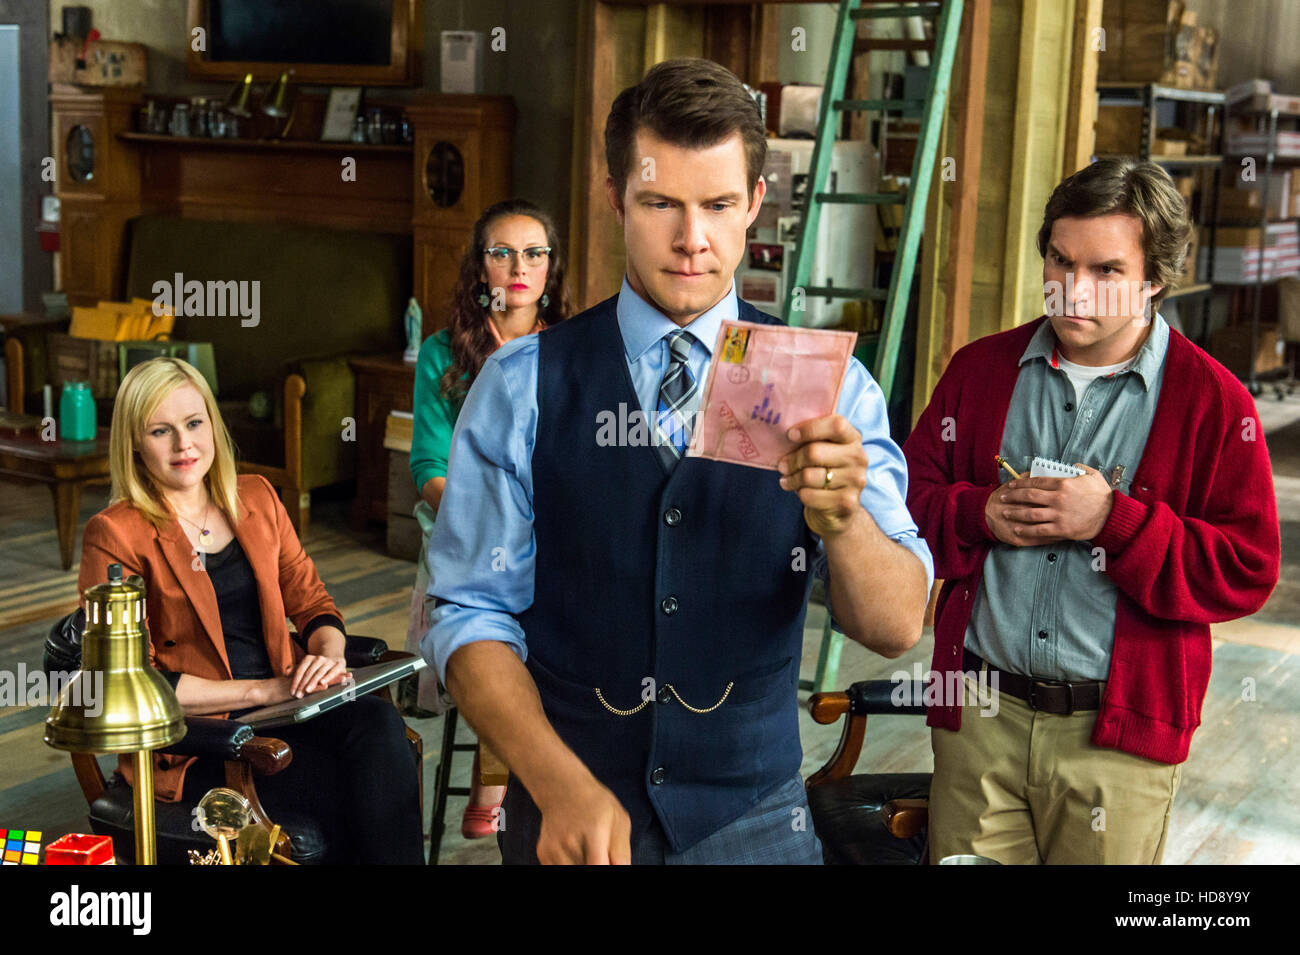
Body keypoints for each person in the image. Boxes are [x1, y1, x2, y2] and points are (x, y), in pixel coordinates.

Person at [423, 58, 934, 865]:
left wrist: (844, 523)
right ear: (615, 195)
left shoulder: (829, 389)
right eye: (661, 202)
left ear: (756, 203)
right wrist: (557, 782)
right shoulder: (521, 386)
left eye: (719, 205)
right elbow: (467, 613)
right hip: (569, 813)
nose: (692, 239)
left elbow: (897, 621)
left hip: (757, 820)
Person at [903, 157, 1280, 864]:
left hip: (1117, 744)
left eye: (1106, 271)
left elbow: (1247, 569)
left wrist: (1115, 521)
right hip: (978, 721)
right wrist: (979, 513)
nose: (1072, 291)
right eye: (1059, 259)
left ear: (1156, 278)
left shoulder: (1215, 403)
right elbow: (910, 499)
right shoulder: (979, 371)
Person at [78, 357, 424, 864]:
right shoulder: (115, 534)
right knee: (352, 789)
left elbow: (312, 603)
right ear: (133, 442)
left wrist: (327, 656)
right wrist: (264, 690)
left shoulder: (257, 497)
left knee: (377, 725)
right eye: (161, 430)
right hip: (206, 739)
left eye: (194, 424)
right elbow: (131, 682)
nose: (184, 444)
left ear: (213, 426)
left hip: (288, 709)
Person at [404, 198, 572, 838]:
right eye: (501, 252)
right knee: (501, 615)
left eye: (534, 253)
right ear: (481, 267)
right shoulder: (444, 353)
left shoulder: (572, 348)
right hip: (473, 537)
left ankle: (508, 770)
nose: (517, 267)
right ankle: (503, 771)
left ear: (550, 268)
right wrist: (499, 518)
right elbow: (429, 471)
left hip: (555, 536)